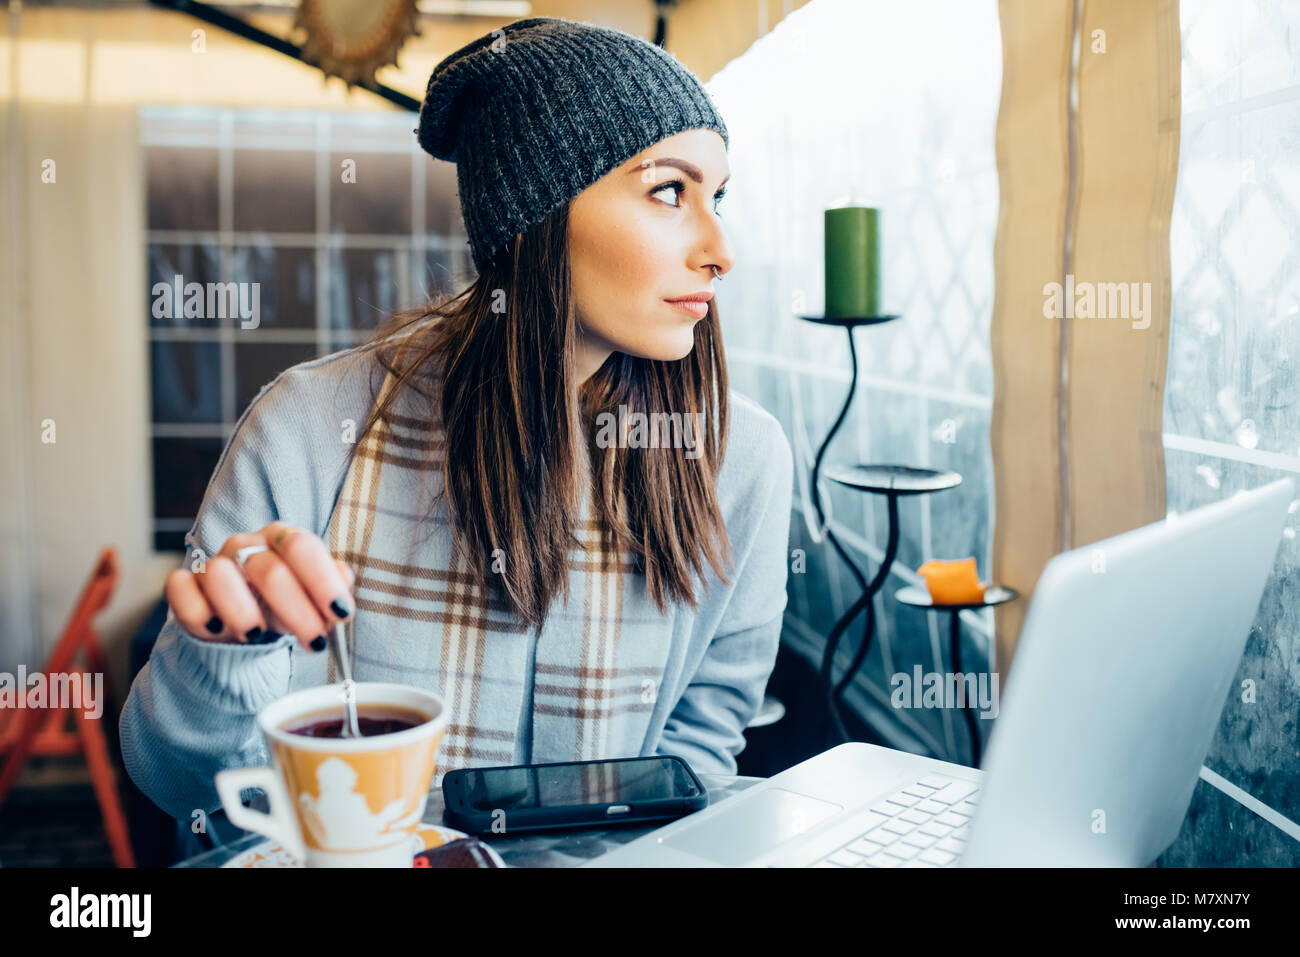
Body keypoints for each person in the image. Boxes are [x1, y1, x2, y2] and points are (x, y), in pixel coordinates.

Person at [119, 16, 793, 825]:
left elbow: (700, 750)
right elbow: (176, 781)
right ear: (535, 213)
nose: (720, 247)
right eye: (670, 192)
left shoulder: (743, 459)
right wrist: (227, 656)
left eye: (716, 197)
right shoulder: (308, 427)